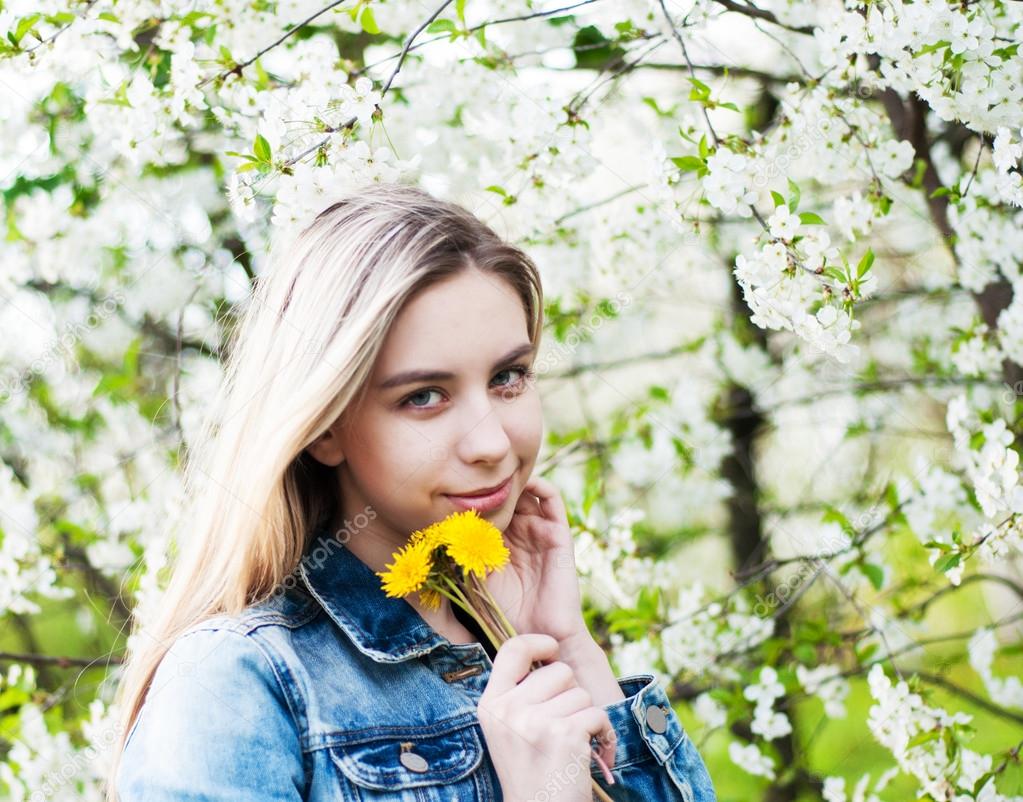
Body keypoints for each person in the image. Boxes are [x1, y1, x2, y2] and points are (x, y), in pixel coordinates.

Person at [107, 182, 717, 801]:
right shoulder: (236, 683)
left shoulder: (526, 644)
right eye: (424, 396)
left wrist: (567, 650)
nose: (491, 443)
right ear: (325, 427)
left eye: (508, 378)